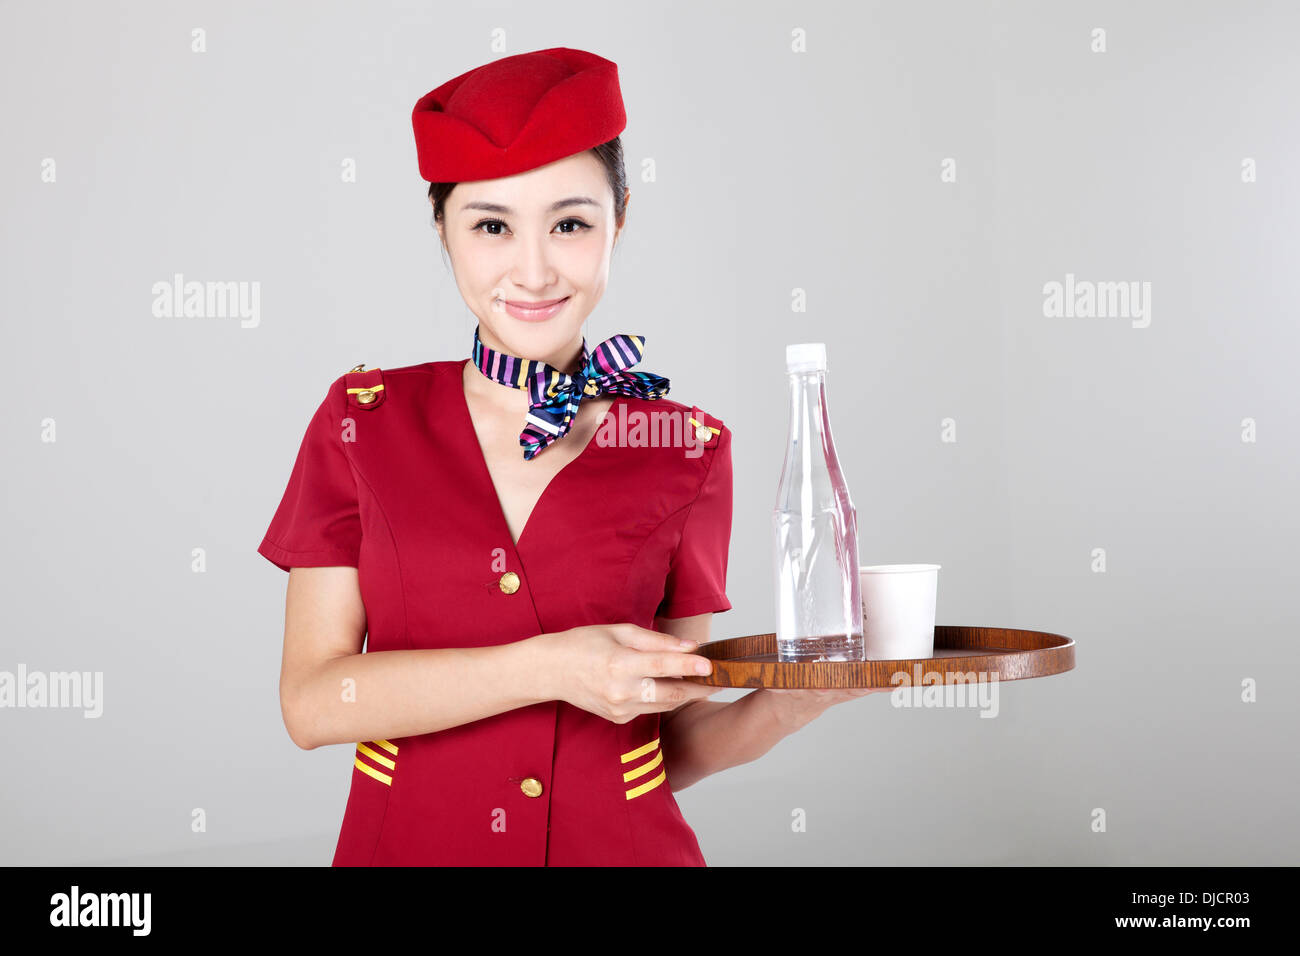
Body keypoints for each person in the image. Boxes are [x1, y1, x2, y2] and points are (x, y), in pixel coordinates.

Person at [257, 46, 874, 866]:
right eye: (491, 226)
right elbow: (311, 703)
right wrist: (547, 666)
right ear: (440, 229)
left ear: (621, 220)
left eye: (571, 223)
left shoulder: (684, 449)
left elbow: (674, 738)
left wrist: (800, 701)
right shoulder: (362, 423)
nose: (535, 269)